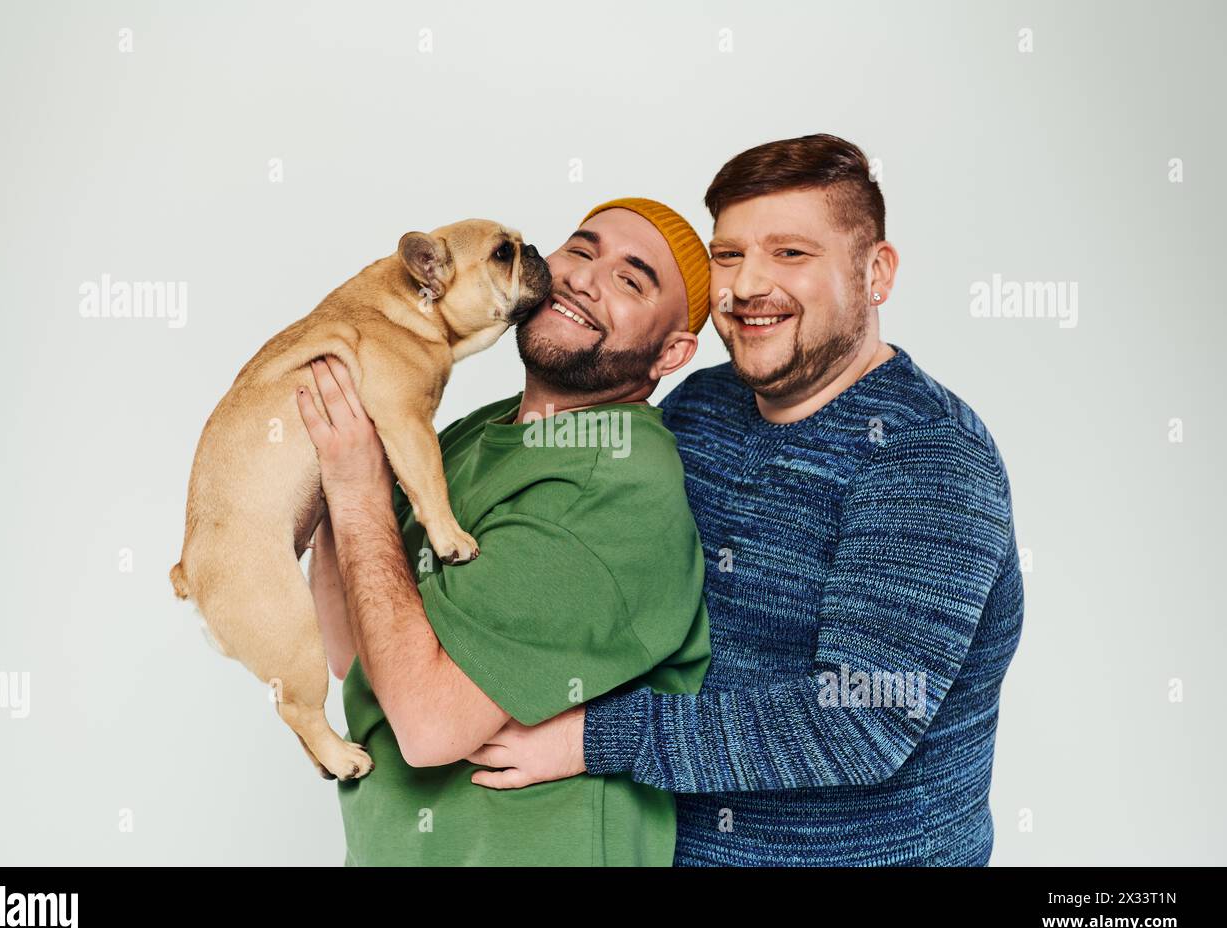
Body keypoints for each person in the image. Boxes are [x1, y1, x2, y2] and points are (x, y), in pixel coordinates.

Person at [469, 135, 1026, 867]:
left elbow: (861, 721)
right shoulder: (704, 404)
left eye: (791, 253)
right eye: (728, 255)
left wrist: (588, 738)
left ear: (876, 273)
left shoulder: (927, 458)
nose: (746, 286)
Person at [298, 198, 713, 866]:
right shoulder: (477, 433)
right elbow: (357, 658)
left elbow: (427, 724)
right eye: (581, 251)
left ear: (671, 353)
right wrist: (331, 458)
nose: (583, 278)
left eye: (631, 281)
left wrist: (359, 487)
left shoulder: (612, 483)